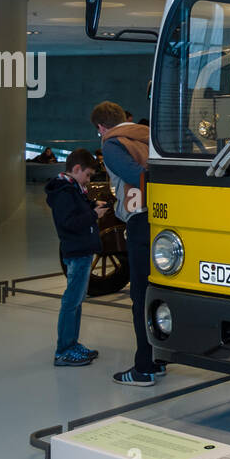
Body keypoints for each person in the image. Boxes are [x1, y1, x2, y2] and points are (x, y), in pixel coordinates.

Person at [90, 101, 166, 386]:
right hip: (167, 220)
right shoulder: (150, 136)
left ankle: (144, 367)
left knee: (140, 297)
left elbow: (139, 177)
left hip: (140, 221)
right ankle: (160, 358)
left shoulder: (112, 146)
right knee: (161, 290)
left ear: (101, 127)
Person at [45, 149, 108, 366]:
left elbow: (75, 211)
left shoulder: (72, 189)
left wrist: (91, 206)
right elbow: (68, 222)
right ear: (77, 169)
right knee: (71, 301)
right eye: (88, 175)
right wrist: (93, 215)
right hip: (77, 252)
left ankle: (72, 343)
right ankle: (63, 350)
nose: (89, 180)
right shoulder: (64, 191)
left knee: (77, 300)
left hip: (81, 250)